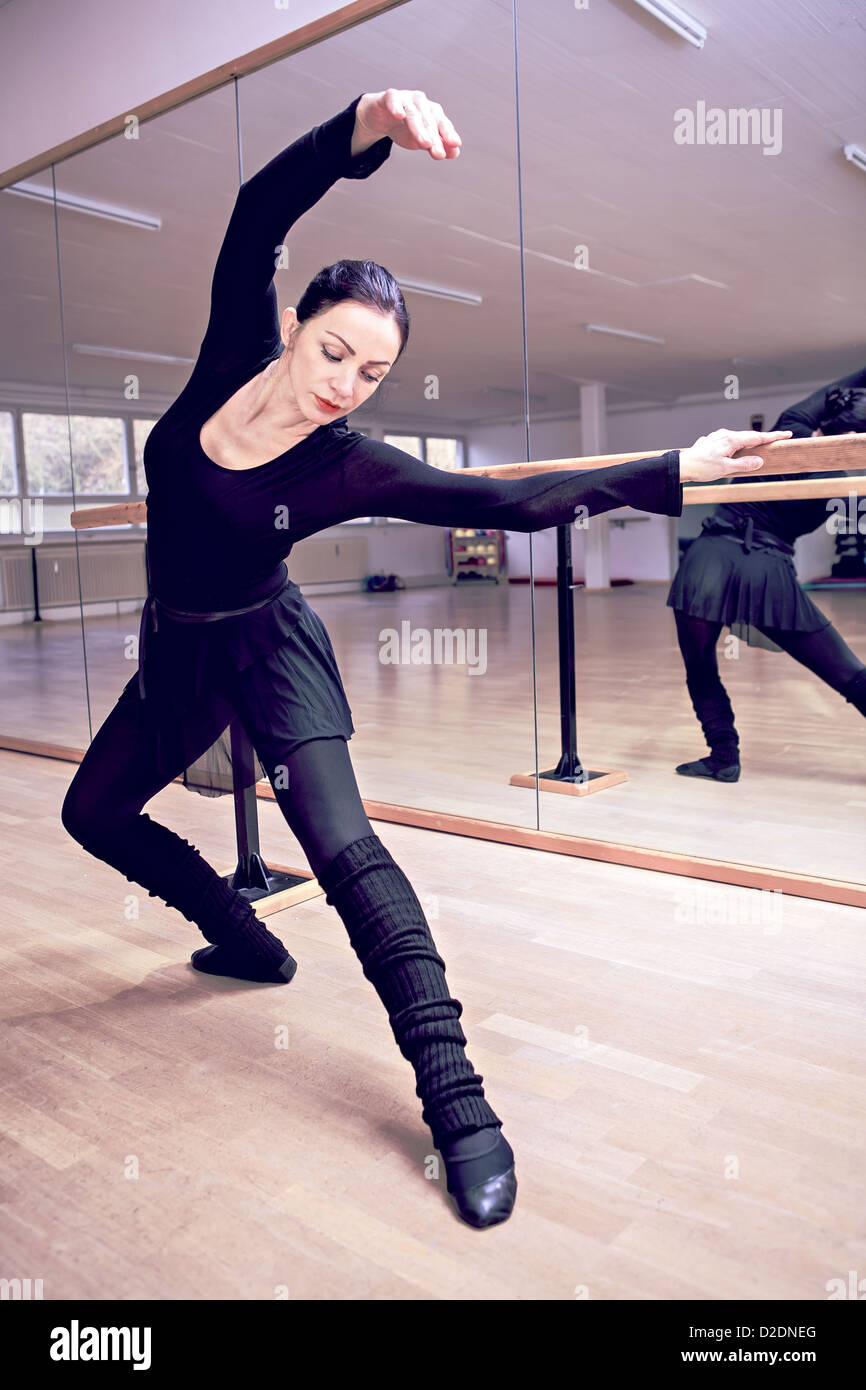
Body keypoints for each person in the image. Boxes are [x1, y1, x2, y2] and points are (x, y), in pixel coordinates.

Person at [59, 88, 787, 1229]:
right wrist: (364, 123)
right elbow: (255, 211)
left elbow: (521, 502)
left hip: (269, 649)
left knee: (348, 857)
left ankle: (460, 1109)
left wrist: (676, 468)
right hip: (176, 655)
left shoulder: (347, 463)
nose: (341, 384)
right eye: (333, 350)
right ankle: (242, 938)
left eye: (368, 374)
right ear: (295, 327)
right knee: (92, 813)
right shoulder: (225, 363)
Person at [667, 369, 866, 780]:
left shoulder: (790, 430)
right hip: (768, 570)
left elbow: (827, 390)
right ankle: (722, 758)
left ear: (825, 421)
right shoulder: (843, 485)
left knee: (701, 667)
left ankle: (724, 757)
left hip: (709, 558)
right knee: (848, 674)